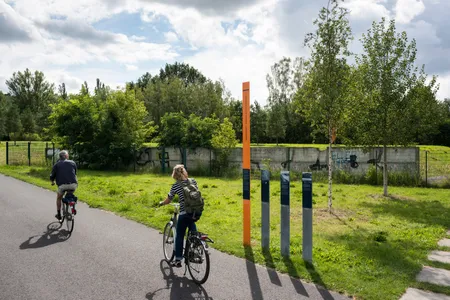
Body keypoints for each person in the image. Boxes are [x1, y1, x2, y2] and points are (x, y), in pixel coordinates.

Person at [159, 164, 201, 268]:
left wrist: (162, 203)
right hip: (196, 211)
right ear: (184, 172)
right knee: (193, 232)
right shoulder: (193, 181)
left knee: (179, 236)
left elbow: (169, 199)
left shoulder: (176, 186)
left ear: (174, 175)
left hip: (184, 213)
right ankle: (196, 248)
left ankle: (178, 260)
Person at [50, 150, 78, 220]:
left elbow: (52, 175)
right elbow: (75, 172)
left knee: (59, 198)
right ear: (66, 156)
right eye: (68, 155)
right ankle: (72, 204)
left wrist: (52, 181)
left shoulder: (56, 164)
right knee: (70, 193)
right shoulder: (72, 162)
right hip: (73, 185)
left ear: (60, 157)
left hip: (62, 186)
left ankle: (59, 214)